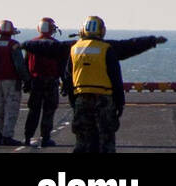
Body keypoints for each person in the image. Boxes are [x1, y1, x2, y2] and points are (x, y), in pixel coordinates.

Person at [62, 16, 166, 153]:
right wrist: (120, 103)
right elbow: (116, 77)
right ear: (101, 30)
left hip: (82, 99)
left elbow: (68, 77)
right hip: (104, 99)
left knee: (82, 140)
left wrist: (73, 101)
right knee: (106, 138)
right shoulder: (106, 49)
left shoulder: (74, 49)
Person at [22, 18, 64, 147]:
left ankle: (28, 137)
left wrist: (26, 82)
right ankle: (45, 137)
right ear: (51, 28)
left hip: (35, 81)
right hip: (51, 81)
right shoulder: (56, 45)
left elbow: (26, 64)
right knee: (49, 110)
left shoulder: (31, 44)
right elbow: (62, 66)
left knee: (33, 110)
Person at [0, 20, 29, 145]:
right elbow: (19, 65)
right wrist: (26, 79)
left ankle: (0, 135)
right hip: (11, 81)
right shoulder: (14, 45)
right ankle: (7, 136)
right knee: (11, 109)